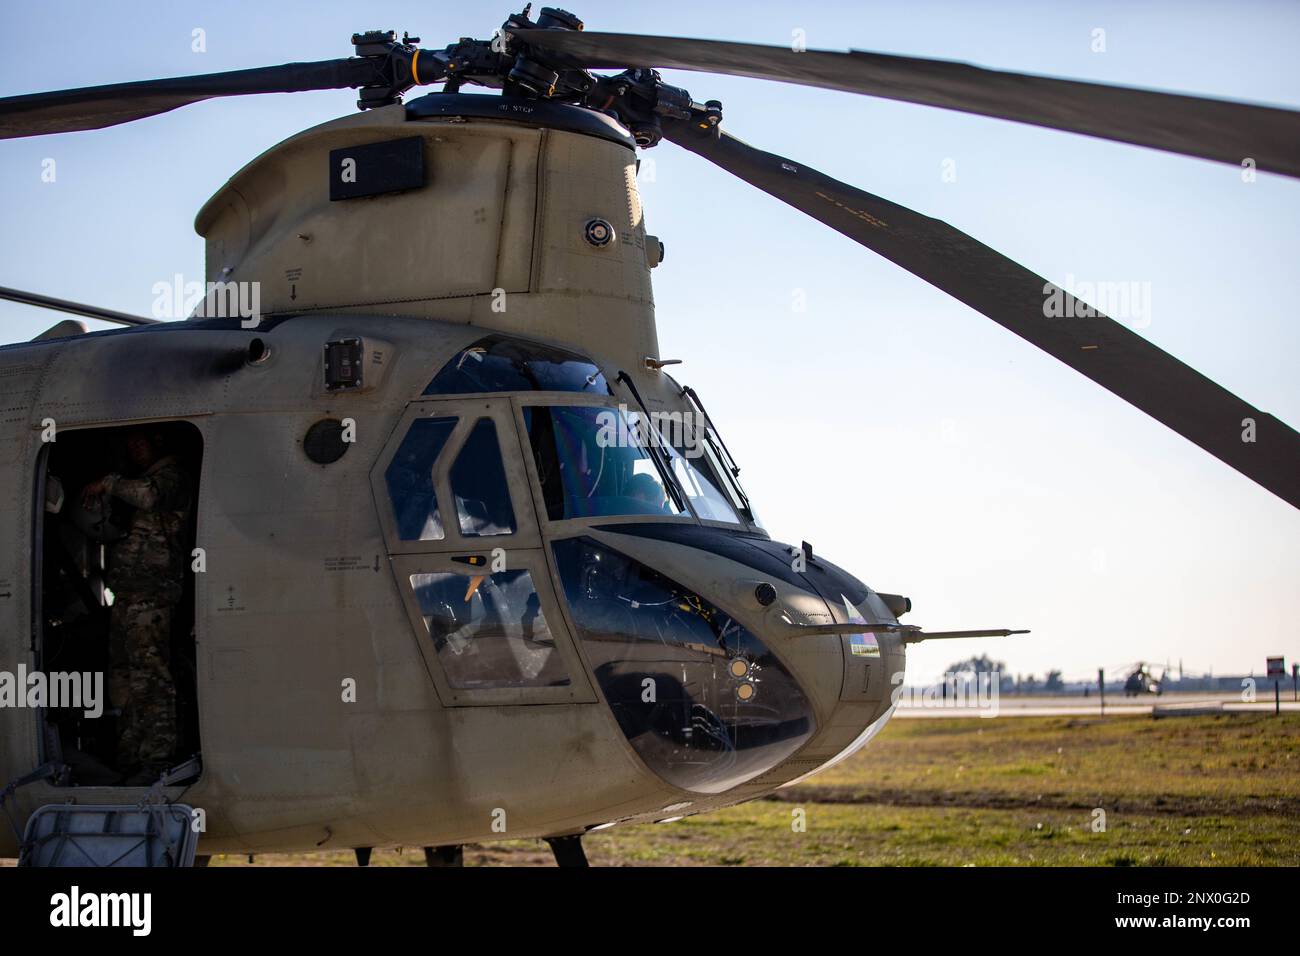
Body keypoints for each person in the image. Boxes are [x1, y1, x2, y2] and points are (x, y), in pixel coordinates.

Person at [82, 429, 192, 785]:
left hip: (152, 593)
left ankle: (158, 757)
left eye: (141, 439)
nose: (135, 446)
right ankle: (131, 755)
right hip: (128, 595)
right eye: (130, 443)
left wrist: (110, 484)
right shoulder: (139, 481)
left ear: (159, 441)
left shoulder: (169, 476)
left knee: (151, 673)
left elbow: (150, 496)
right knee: (124, 678)